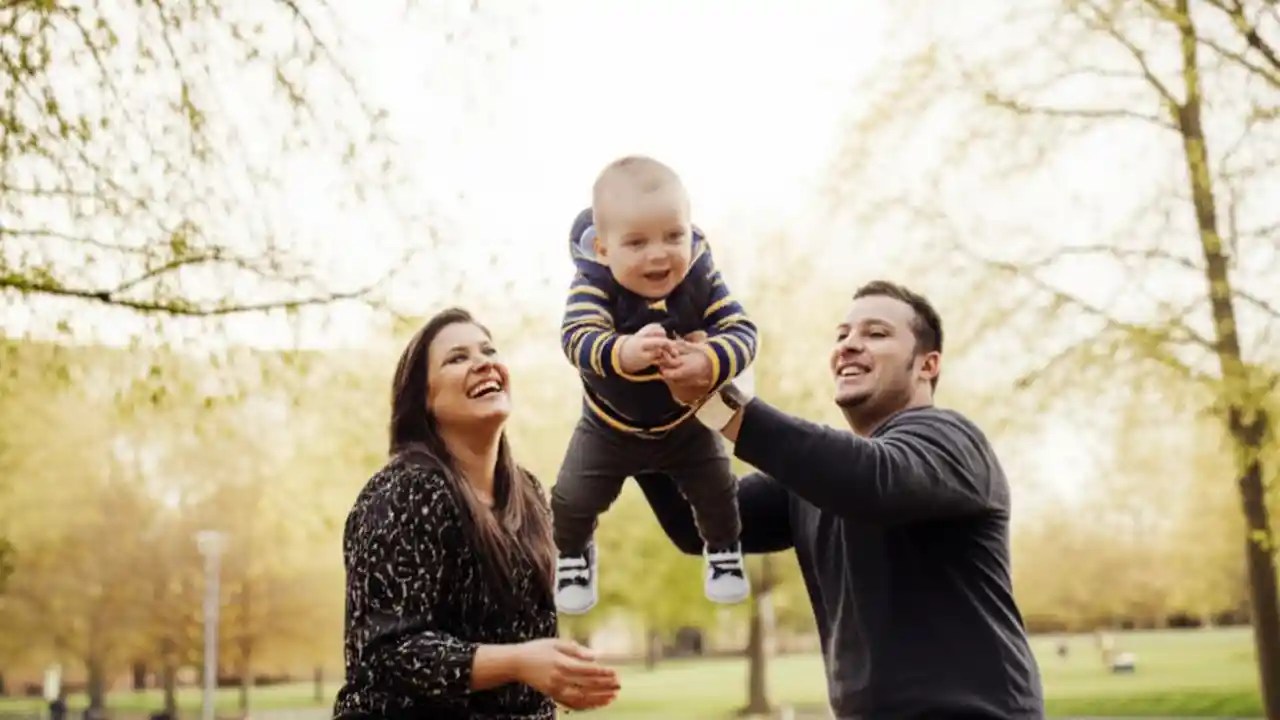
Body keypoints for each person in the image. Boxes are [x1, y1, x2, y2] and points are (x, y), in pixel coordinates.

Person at [637, 281, 1046, 719]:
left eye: (875, 333)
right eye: (842, 335)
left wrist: (721, 404)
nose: (849, 346)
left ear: (927, 365)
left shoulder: (952, 442)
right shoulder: (816, 479)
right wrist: (639, 414)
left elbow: (870, 480)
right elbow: (694, 521)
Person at [333, 307, 621, 720]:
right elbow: (387, 653)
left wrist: (553, 677)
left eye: (488, 351)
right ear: (425, 399)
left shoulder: (528, 495)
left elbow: (528, 645)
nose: (484, 362)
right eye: (457, 358)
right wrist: (520, 662)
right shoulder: (402, 492)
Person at [551, 155, 758, 614]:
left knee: (719, 490)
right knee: (570, 498)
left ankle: (723, 550)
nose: (659, 254)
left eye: (673, 236)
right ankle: (573, 553)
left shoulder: (701, 278)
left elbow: (743, 332)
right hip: (609, 429)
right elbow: (576, 339)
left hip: (685, 424)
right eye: (637, 243)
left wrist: (709, 359)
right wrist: (623, 351)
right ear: (604, 250)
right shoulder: (594, 283)